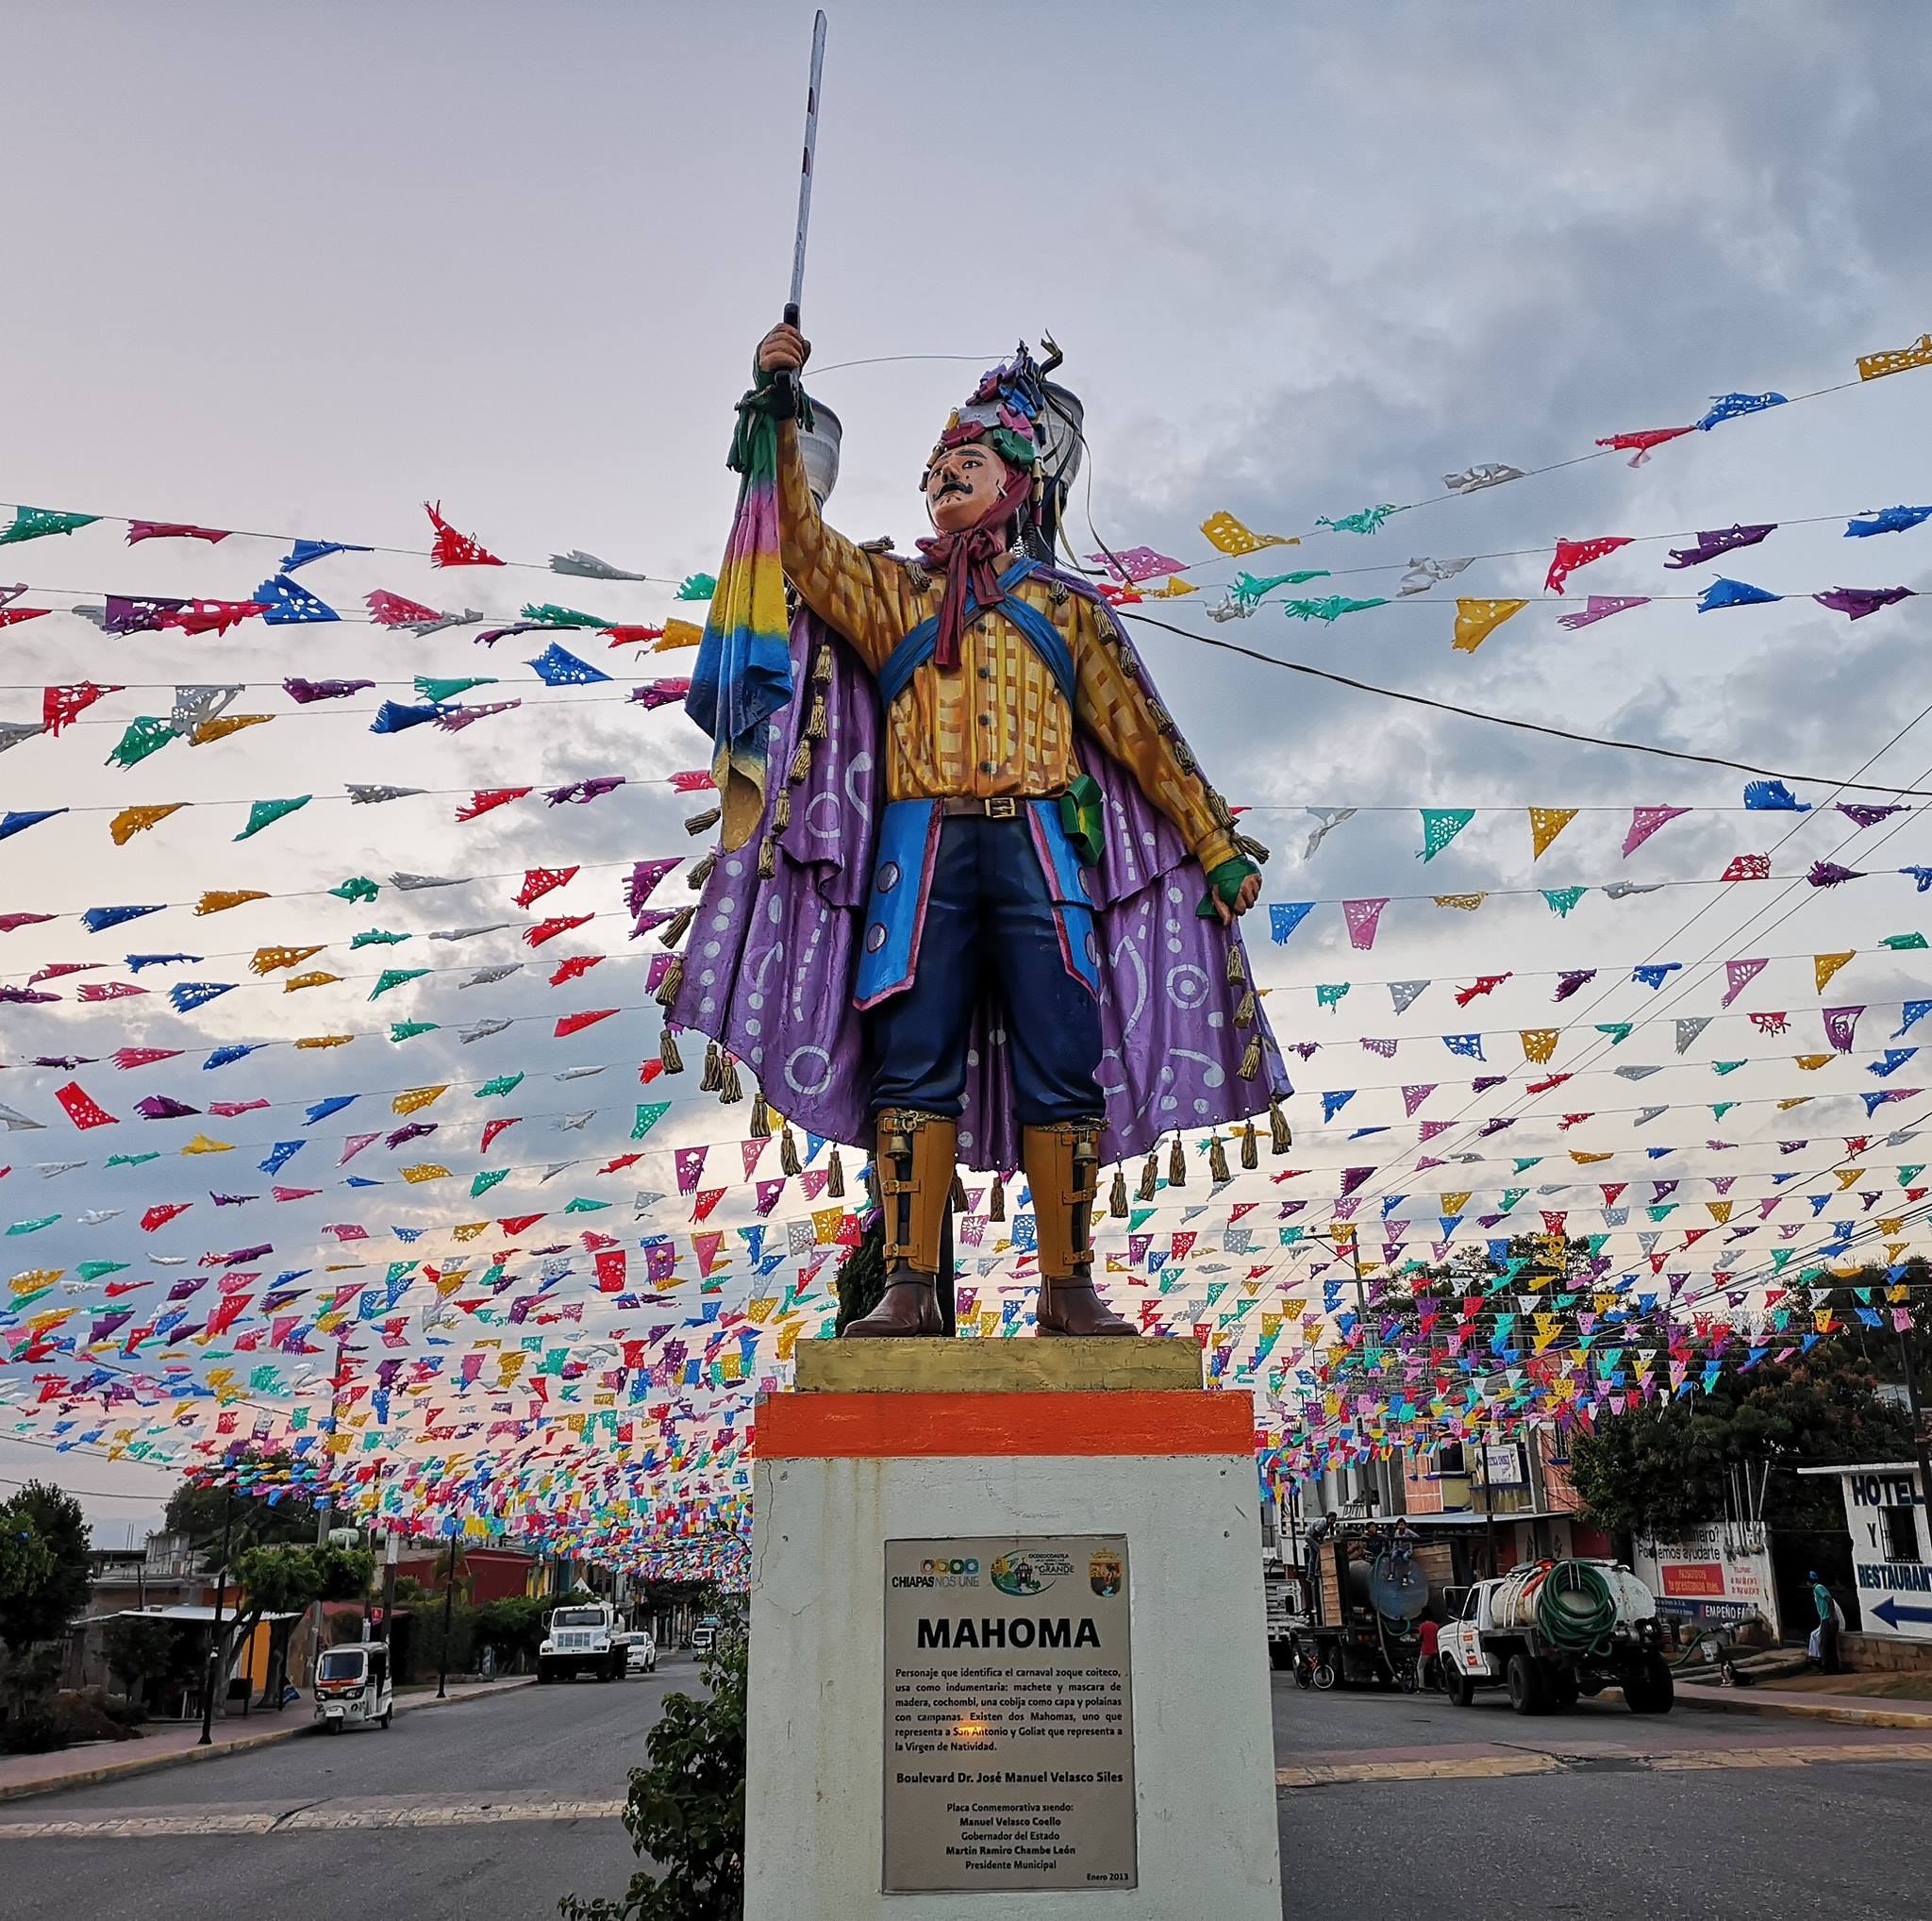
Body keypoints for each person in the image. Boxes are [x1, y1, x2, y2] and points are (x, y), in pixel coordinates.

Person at [678, 326, 1285, 1338]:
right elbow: (796, 537)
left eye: (965, 462)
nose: (941, 478)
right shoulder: (889, 594)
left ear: (1016, 483)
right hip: (917, 855)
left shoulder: (1066, 609)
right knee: (908, 1058)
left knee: (1063, 1052)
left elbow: (1141, 730)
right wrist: (780, 410)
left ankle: (1068, 1289)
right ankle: (910, 1286)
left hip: (1041, 849)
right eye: (933, 469)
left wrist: (1212, 840)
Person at [1809, 1570, 1842, 1674]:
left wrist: (1831, 1616)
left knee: (1825, 1644)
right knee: (1829, 1645)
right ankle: (1833, 1668)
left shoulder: (1818, 1588)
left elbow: (1829, 1599)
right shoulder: (1817, 1589)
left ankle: (1827, 1668)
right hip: (1826, 1619)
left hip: (1827, 1619)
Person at [1416, 1614, 1441, 1694]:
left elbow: (1420, 1637)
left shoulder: (1422, 1626)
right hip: (1435, 1650)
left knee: (1420, 1667)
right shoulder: (1435, 1626)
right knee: (1435, 1668)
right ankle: (1438, 1686)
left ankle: (1421, 1687)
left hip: (1426, 1650)